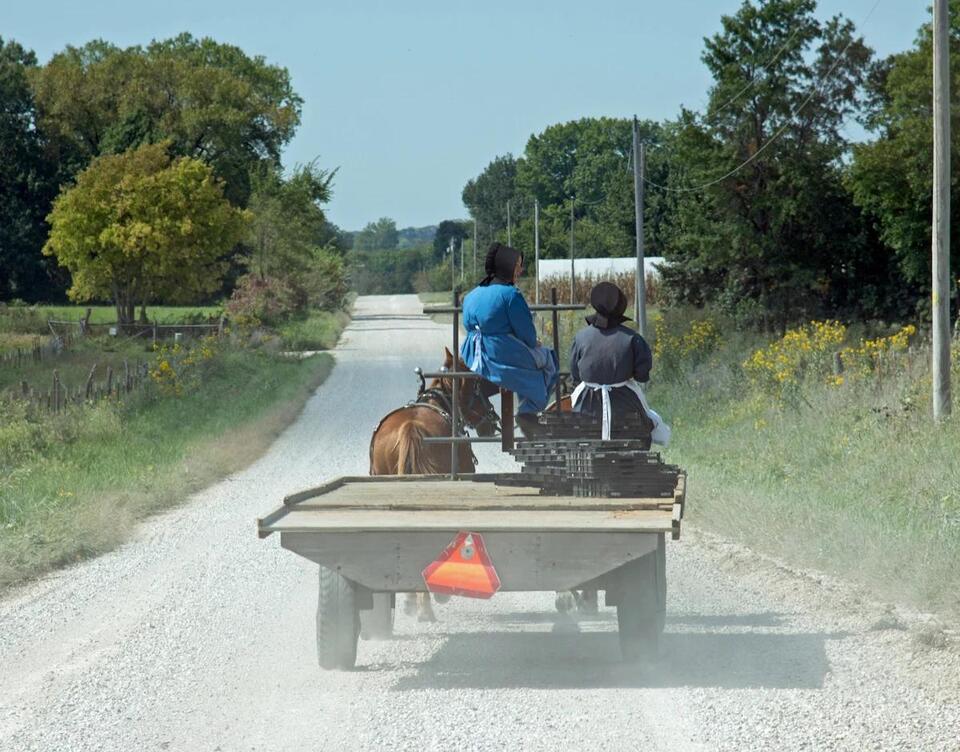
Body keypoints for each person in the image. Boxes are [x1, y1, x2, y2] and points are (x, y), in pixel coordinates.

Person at [460, 243, 558, 437]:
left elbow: (468, 326)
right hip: (500, 353)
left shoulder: (472, 295)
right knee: (549, 360)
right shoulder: (511, 294)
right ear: (506, 266)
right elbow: (528, 336)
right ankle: (528, 411)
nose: (520, 271)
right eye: (518, 266)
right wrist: (534, 342)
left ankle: (487, 411)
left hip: (472, 354)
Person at [569, 281, 670, 445]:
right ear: (620, 307)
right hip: (624, 402)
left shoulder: (580, 337)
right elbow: (642, 376)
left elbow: (575, 376)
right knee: (649, 420)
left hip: (587, 405)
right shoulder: (633, 338)